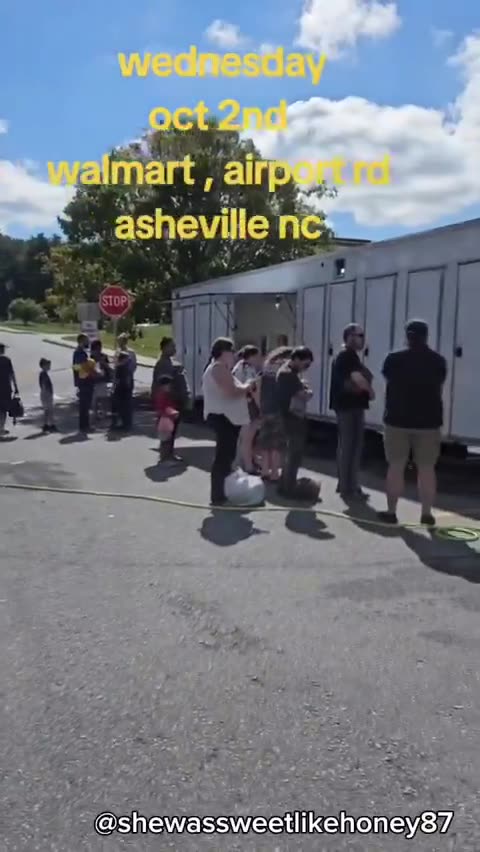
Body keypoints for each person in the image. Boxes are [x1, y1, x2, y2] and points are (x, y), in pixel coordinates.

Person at [378, 319, 447, 527]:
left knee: (396, 466)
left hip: (397, 421)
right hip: (428, 423)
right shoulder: (438, 361)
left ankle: (391, 512)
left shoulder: (393, 359)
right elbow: (439, 384)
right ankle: (426, 513)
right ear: (426, 336)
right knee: (426, 469)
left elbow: (388, 380)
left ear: (407, 336)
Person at [202, 337, 255, 506]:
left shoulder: (221, 368)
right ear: (223, 352)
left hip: (227, 418)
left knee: (227, 456)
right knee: (223, 457)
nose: (234, 355)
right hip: (222, 417)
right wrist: (248, 386)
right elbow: (231, 391)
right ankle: (218, 496)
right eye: (232, 351)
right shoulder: (218, 368)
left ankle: (223, 493)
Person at [330, 323, 374, 500]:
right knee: (352, 446)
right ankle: (350, 488)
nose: (363, 339)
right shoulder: (347, 355)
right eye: (360, 336)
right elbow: (357, 378)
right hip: (349, 406)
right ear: (349, 337)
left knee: (348, 445)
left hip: (347, 406)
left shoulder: (346, 356)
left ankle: (345, 484)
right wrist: (370, 391)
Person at [276, 346, 313, 497]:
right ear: (297, 359)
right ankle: (289, 488)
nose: (306, 367)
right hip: (292, 417)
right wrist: (309, 392)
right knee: (294, 453)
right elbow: (303, 395)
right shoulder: (288, 375)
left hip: (288, 415)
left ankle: (284, 485)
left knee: (291, 453)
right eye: (305, 364)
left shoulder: (287, 371)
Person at [151, 337, 191, 462]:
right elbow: (164, 384)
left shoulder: (170, 362)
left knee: (171, 429)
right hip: (168, 402)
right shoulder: (163, 364)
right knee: (167, 429)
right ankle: (166, 456)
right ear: (164, 348)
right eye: (171, 346)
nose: (174, 349)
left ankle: (169, 454)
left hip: (173, 401)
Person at [256, 346, 292, 481]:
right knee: (276, 444)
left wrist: (260, 406)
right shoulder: (284, 368)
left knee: (265, 442)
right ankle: (275, 473)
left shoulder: (266, 367)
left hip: (265, 408)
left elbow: (258, 387)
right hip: (278, 409)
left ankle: (265, 471)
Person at [232, 345, 263, 473]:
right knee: (248, 439)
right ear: (252, 356)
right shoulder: (249, 369)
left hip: (239, 405)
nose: (259, 358)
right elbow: (253, 390)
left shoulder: (238, 366)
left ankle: (246, 462)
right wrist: (260, 407)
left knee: (243, 438)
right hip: (248, 406)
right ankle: (248, 466)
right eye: (257, 356)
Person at [72, 334, 96, 434]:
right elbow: (77, 367)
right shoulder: (79, 353)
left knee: (85, 405)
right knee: (84, 405)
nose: (88, 342)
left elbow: (77, 367)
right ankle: (84, 426)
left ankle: (85, 425)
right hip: (84, 382)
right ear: (81, 341)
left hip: (84, 381)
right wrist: (90, 369)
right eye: (86, 340)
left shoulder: (81, 352)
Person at [153, 375, 179, 461]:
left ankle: (165, 456)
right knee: (166, 440)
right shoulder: (163, 395)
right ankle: (165, 458)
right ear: (163, 386)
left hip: (165, 419)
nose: (170, 387)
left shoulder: (163, 394)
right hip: (164, 419)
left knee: (166, 439)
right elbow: (164, 407)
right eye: (168, 385)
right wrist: (172, 412)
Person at [90, 339, 112, 423]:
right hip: (94, 380)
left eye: (99, 348)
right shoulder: (91, 358)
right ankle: (94, 414)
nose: (99, 350)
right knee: (95, 399)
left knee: (103, 398)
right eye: (97, 348)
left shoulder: (104, 356)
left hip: (102, 380)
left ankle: (104, 414)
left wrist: (103, 363)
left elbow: (108, 368)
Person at [111, 352, 134, 431]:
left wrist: (113, 388)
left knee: (122, 408)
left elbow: (116, 380)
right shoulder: (123, 367)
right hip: (123, 390)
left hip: (122, 390)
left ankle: (124, 424)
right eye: (127, 358)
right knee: (124, 408)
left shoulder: (121, 367)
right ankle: (125, 424)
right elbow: (119, 380)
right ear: (123, 359)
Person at [0, 342, 19, 436]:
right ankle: (1, 428)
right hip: (5, 388)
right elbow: (12, 374)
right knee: (3, 410)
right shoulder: (7, 360)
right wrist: (16, 387)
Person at [39, 358, 56, 433]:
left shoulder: (44, 374)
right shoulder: (43, 374)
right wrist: (47, 394)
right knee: (50, 410)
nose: (49, 366)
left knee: (47, 411)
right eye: (48, 365)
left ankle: (46, 424)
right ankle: (51, 425)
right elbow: (44, 385)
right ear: (43, 366)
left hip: (46, 394)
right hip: (46, 394)